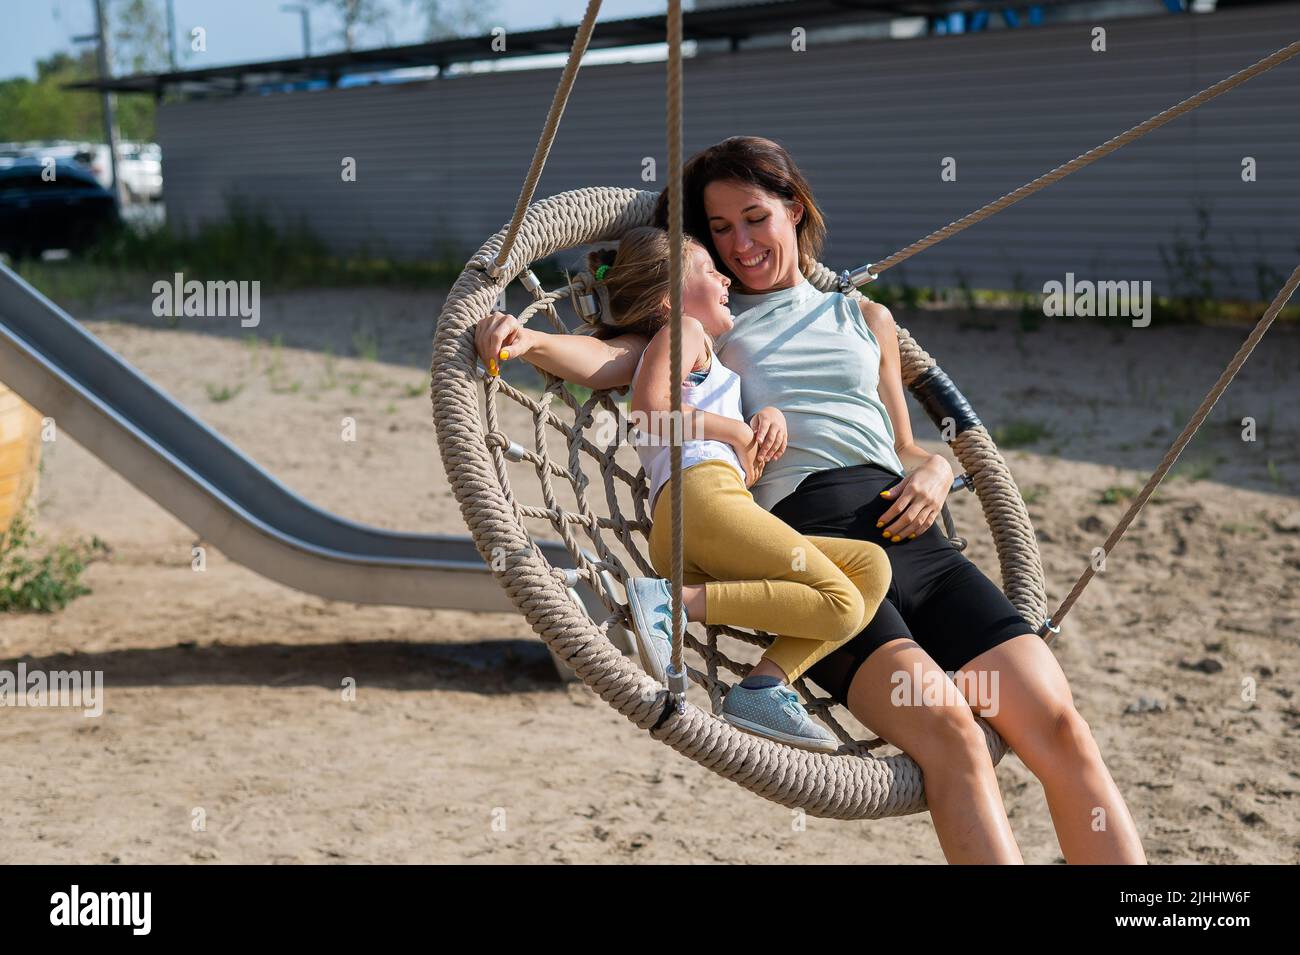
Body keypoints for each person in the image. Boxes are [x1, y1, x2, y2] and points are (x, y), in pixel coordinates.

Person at [476, 136, 1146, 863]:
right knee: (953, 736)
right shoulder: (710, 324)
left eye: (755, 217)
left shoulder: (868, 318)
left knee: (1059, 724)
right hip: (811, 551)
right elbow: (617, 365)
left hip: (917, 537)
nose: (739, 245)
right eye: (720, 230)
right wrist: (530, 343)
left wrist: (934, 468)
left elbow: (905, 440)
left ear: (795, 208)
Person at [484, 225, 890, 753]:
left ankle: (764, 685)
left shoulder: (699, 355)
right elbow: (651, 416)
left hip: (709, 522)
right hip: (700, 499)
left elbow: (612, 364)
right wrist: (532, 340)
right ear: (668, 298)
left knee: (868, 570)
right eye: (709, 270)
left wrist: (760, 420)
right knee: (839, 603)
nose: (726, 278)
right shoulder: (685, 331)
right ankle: (671, 606)